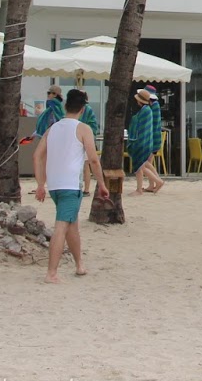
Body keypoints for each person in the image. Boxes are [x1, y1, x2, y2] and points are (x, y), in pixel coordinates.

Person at [33, 89, 110, 282]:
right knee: (61, 226)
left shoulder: (53, 128)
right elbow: (93, 159)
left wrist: (40, 184)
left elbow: (37, 156)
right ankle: (51, 273)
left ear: (66, 106)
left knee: (71, 224)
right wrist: (101, 183)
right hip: (70, 185)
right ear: (83, 109)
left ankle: (79, 265)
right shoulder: (83, 128)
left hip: (55, 185)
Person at [127, 86, 164, 194]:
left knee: (143, 164)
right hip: (149, 140)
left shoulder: (149, 109)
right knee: (145, 164)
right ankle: (152, 184)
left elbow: (151, 126)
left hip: (148, 140)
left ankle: (155, 182)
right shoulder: (150, 108)